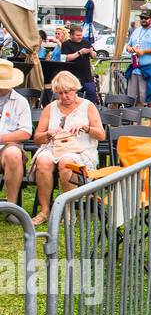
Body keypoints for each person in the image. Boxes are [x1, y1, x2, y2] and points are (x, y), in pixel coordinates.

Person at [30, 70, 106, 226]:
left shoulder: (88, 106)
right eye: (60, 93)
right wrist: (49, 133)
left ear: (75, 89)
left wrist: (85, 127)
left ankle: (69, 210)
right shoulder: (50, 108)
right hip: (53, 147)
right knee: (43, 161)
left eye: (67, 92)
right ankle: (45, 210)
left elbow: (101, 135)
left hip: (81, 150)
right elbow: (37, 138)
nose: (64, 96)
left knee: (66, 161)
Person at [0, 61, 34, 209]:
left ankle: (12, 206)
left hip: (8, 146)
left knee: (13, 154)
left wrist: (1, 138)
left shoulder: (20, 101)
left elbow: (26, 132)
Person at [123, 8, 151, 107]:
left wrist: (144, 51)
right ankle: (136, 122)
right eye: (142, 18)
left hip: (150, 69)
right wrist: (129, 48)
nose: (143, 20)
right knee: (135, 99)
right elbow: (128, 45)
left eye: (146, 18)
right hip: (135, 68)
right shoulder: (136, 31)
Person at [59, 22, 99, 105]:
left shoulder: (86, 42)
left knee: (92, 93)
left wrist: (91, 52)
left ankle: (90, 109)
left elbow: (94, 56)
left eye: (81, 35)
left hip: (86, 74)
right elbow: (65, 58)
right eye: (77, 35)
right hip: (73, 75)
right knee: (75, 95)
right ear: (71, 35)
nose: (80, 37)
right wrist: (80, 52)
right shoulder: (66, 44)